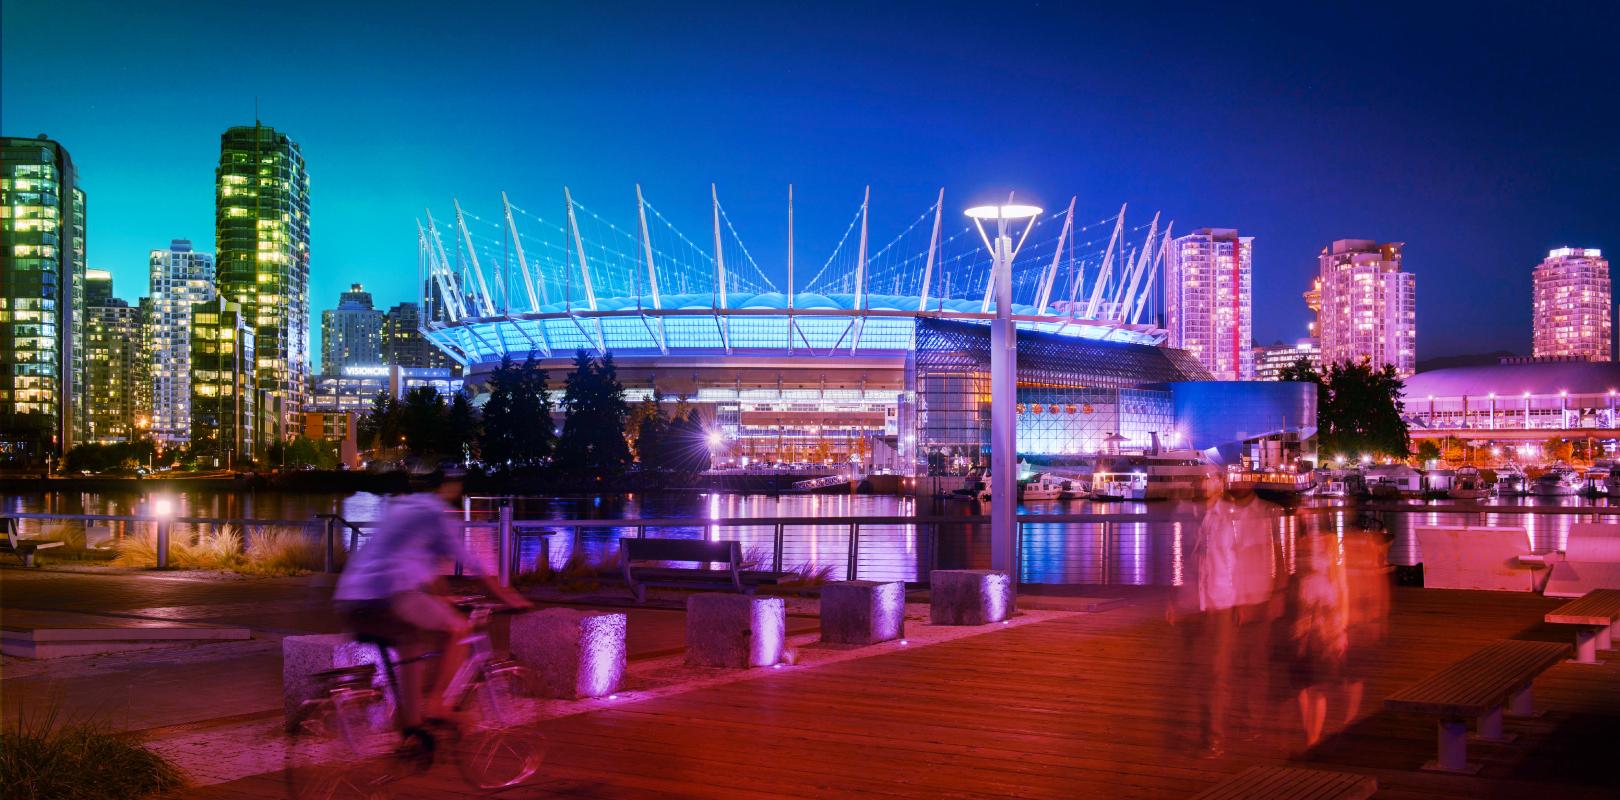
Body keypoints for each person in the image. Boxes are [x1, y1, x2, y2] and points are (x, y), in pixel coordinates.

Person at [334, 469, 530, 754]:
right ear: (449, 488)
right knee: (458, 629)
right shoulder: (437, 513)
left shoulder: (403, 508)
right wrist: (509, 597)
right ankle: (437, 704)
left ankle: (411, 726)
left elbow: (423, 567)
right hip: (386, 595)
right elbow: (473, 564)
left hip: (350, 597)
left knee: (411, 642)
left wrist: (445, 596)